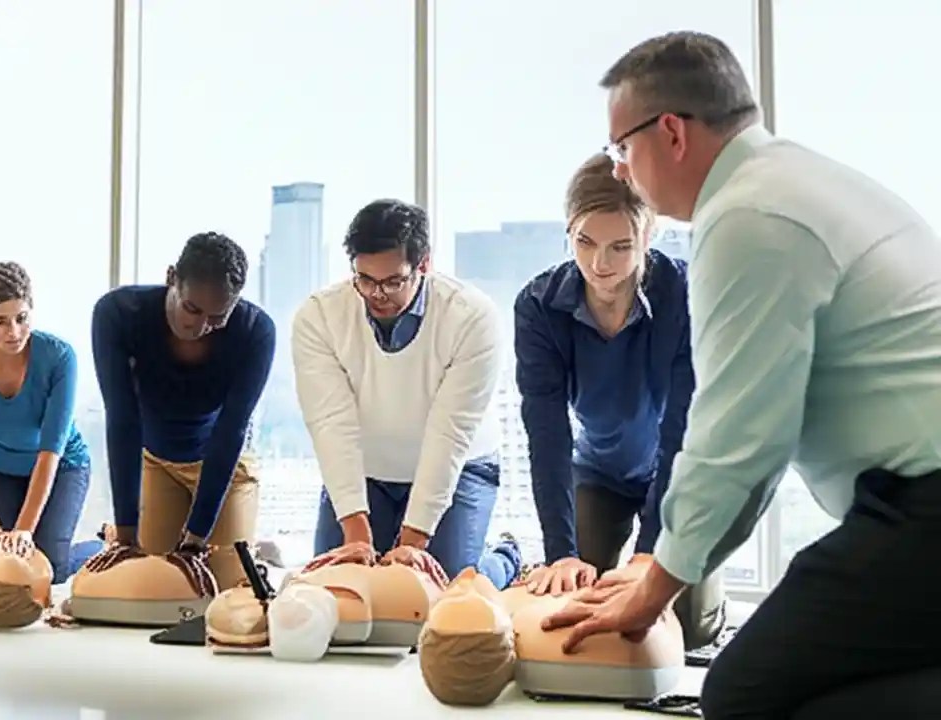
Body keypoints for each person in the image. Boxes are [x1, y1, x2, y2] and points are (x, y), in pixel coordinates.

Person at [541, 31, 941, 719]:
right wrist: (669, 570)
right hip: (908, 502)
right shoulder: (793, 180)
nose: (620, 170)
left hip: (924, 507)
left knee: (744, 694)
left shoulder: (748, 217)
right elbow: (760, 441)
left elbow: (737, 439)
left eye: (621, 149)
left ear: (669, 133)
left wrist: (654, 584)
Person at [483, 153, 724, 650]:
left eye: (621, 246)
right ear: (569, 230)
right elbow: (547, 433)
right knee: (574, 599)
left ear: (648, 237)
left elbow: (683, 430)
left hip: (682, 472)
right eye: (585, 242)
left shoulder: (686, 293)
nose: (600, 264)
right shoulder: (537, 306)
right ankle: (522, 558)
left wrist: (649, 555)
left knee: (689, 627)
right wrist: (560, 552)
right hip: (601, 473)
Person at [294, 199, 503, 581]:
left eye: (393, 281)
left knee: (440, 586)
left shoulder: (472, 316)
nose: (377, 294)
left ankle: (505, 557)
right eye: (365, 279)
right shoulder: (319, 316)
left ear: (423, 265)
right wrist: (355, 533)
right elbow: (330, 423)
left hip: (460, 467)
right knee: (338, 582)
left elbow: (449, 434)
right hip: (368, 471)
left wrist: (412, 543)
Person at [92, 231, 275, 589]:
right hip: (157, 462)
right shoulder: (118, 314)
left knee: (223, 588)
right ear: (171, 278)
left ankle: (258, 553)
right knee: (158, 586)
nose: (201, 326)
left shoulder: (255, 331)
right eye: (192, 308)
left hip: (225, 466)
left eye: (218, 317)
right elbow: (122, 421)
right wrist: (126, 535)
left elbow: (230, 431)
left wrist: (196, 538)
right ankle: (109, 534)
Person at [0, 262, 93, 583]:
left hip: (62, 466)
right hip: (3, 468)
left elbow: (50, 451)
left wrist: (24, 531)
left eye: (21, 318)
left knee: (45, 566)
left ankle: (98, 550)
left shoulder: (59, 357)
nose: (13, 332)